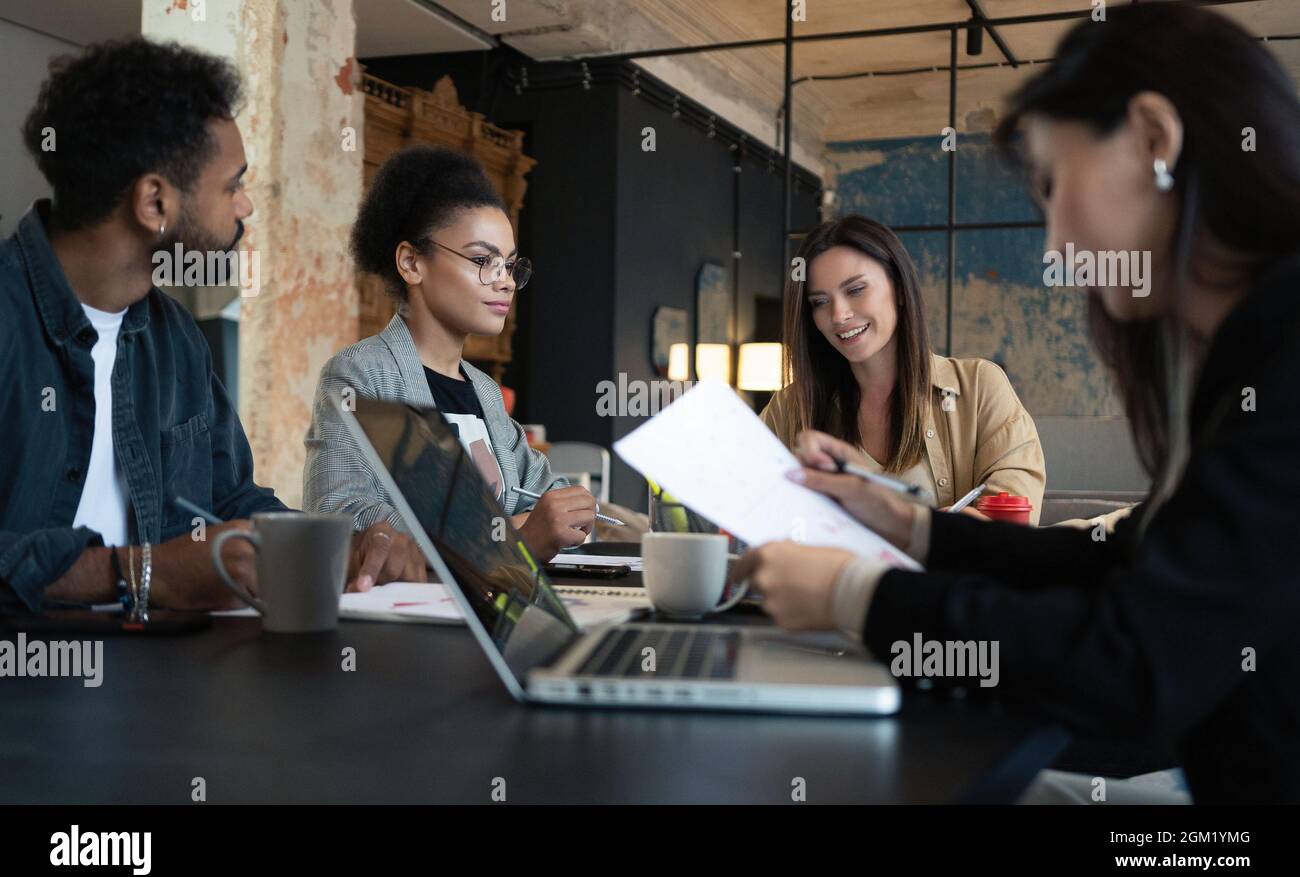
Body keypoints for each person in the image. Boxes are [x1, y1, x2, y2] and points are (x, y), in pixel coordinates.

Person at [734, 3, 1300, 804]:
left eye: (1052, 184)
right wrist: (909, 524)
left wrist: (854, 593)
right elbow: (1119, 565)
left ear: (1153, 139)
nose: (1054, 245)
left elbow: (1131, 664)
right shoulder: (1250, 351)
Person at [0, 38, 425, 615]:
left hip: (162, 678)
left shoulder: (175, 338)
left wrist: (347, 549)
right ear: (154, 202)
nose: (245, 206)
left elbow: (230, 498)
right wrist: (139, 573)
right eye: (232, 185)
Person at [303, 146, 596, 562]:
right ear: (411, 262)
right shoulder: (360, 375)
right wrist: (508, 534)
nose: (506, 282)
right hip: (418, 616)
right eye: (482, 260)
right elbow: (339, 515)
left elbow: (550, 492)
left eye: (510, 266)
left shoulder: (484, 391)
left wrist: (561, 512)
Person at [761, 215, 1045, 521]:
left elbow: (1015, 519)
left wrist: (954, 534)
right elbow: (749, 503)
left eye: (855, 290)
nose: (839, 315)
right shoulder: (791, 407)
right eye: (819, 301)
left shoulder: (979, 387)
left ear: (898, 289)